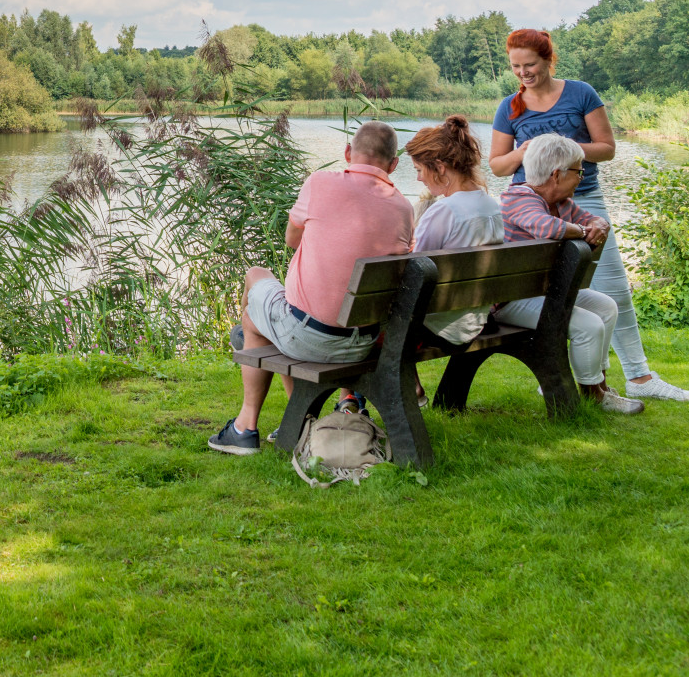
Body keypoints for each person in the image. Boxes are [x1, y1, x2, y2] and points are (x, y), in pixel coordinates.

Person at [490, 28, 689, 401]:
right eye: (516, 66)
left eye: (529, 64)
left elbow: (607, 148)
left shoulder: (581, 93)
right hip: (532, 206)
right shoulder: (510, 106)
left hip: (582, 198)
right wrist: (527, 151)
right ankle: (559, 377)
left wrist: (563, 150)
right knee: (550, 288)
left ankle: (639, 377)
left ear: (548, 60)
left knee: (612, 289)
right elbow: (498, 166)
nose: (522, 73)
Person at [209, 121, 413, 455]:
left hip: (309, 338)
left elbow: (292, 239)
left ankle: (245, 428)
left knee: (256, 281)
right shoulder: (404, 207)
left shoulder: (321, 183)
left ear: (347, 153)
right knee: (272, 316)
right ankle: (297, 418)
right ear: (393, 165)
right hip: (362, 343)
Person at [495, 134, 644, 414]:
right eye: (578, 172)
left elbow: (594, 220)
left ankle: (600, 386)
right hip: (510, 301)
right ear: (556, 174)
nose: (581, 178)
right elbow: (546, 227)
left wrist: (598, 224)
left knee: (606, 307)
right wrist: (586, 231)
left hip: (544, 292)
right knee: (588, 325)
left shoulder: (562, 202)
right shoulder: (518, 198)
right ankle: (592, 395)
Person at [406, 115, 503, 345]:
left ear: (440, 167)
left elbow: (415, 272)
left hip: (438, 325)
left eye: (419, 169)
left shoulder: (445, 210)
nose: (419, 178)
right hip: (473, 321)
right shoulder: (492, 206)